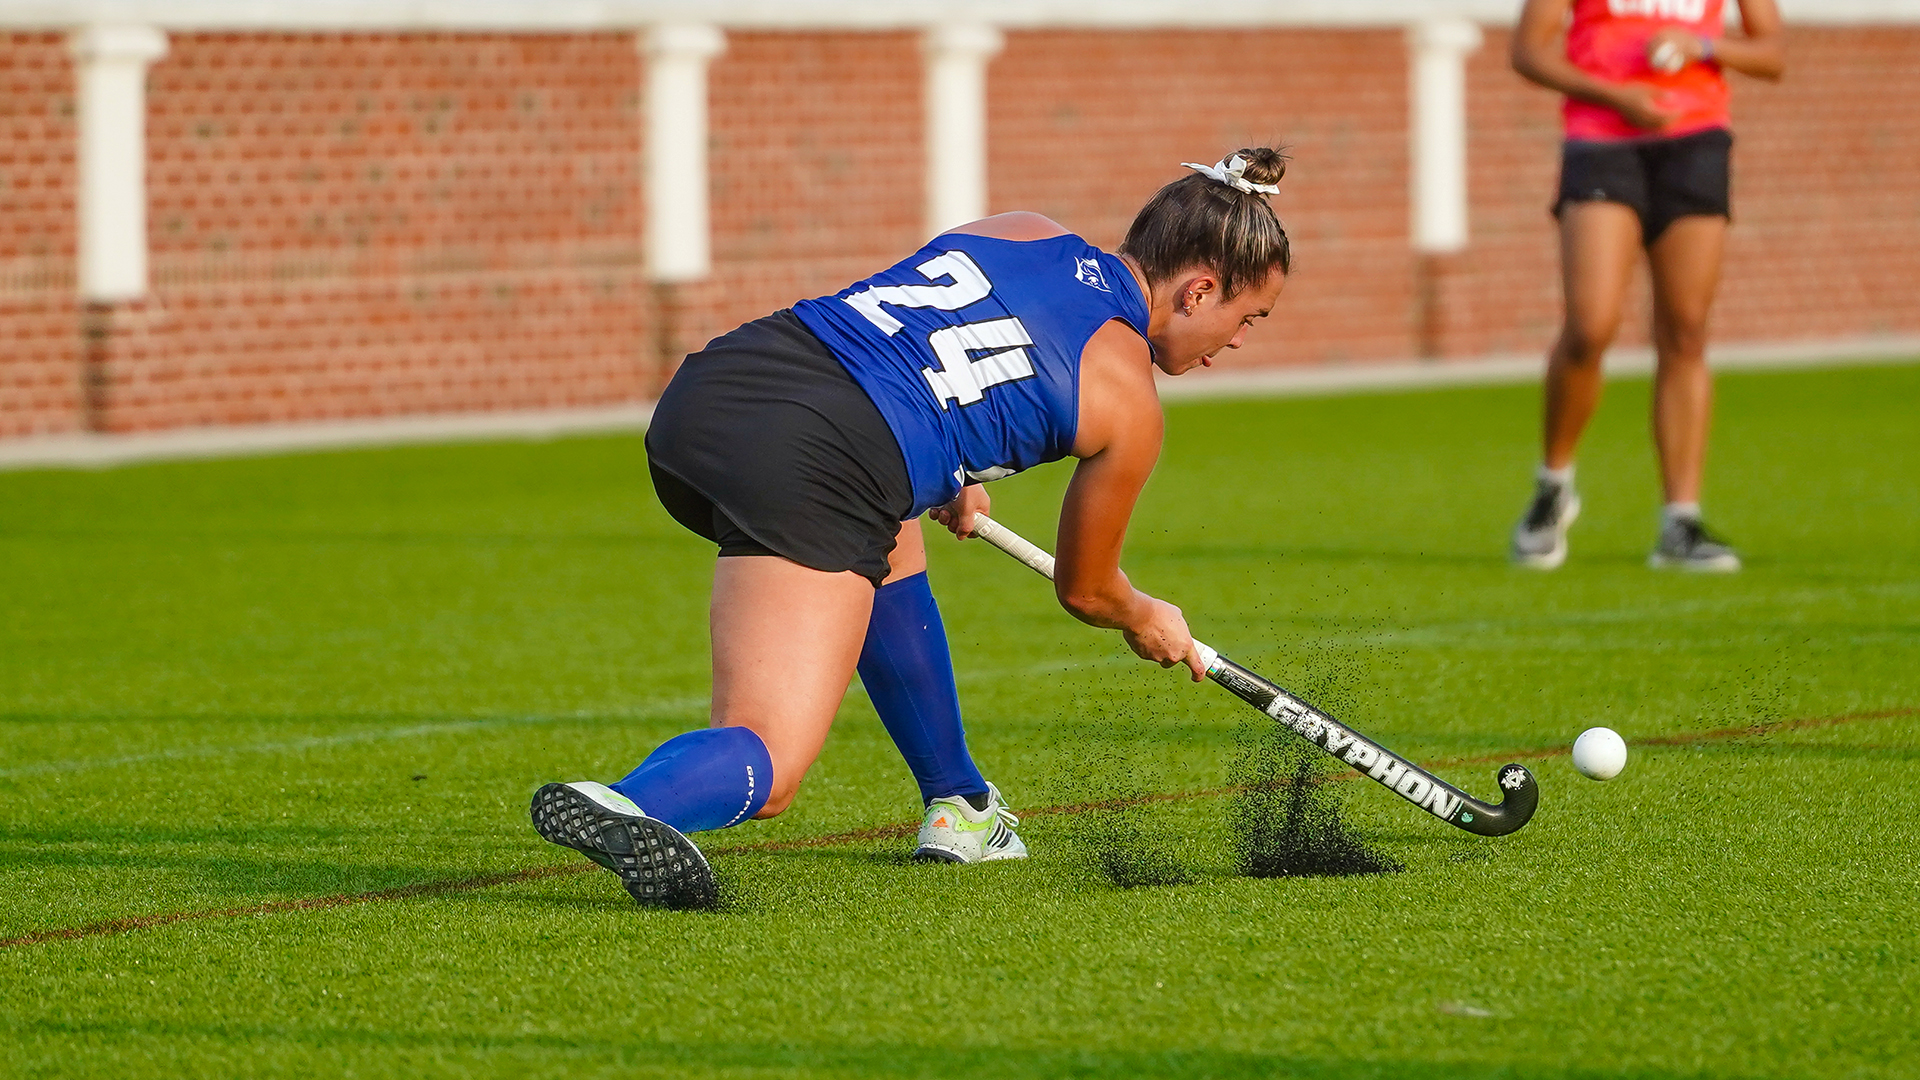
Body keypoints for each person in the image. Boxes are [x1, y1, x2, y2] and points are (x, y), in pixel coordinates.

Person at [527, 149, 1292, 908]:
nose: (1237, 340)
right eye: (1246, 317)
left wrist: (941, 464)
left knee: (890, 534)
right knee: (773, 764)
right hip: (821, 459)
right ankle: (627, 802)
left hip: (721, 388)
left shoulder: (1022, 227)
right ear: (1199, 290)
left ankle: (962, 803)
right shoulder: (1128, 401)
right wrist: (1144, 614)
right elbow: (1087, 590)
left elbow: (916, 342)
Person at [1508, 0, 1784, 571]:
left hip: (1696, 142)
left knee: (1685, 332)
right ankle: (1553, 484)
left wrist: (1701, 47)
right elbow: (1528, 51)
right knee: (1590, 326)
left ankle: (1680, 521)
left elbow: (1772, 55)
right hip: (1601, 143)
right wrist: (1615, 95)